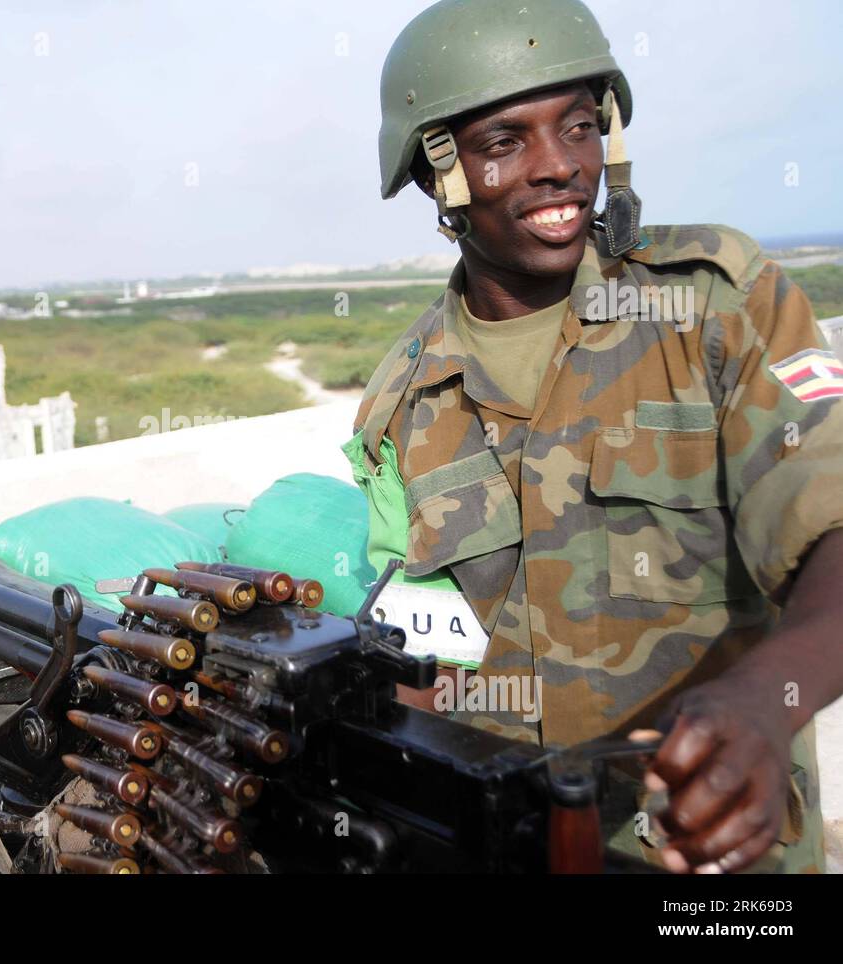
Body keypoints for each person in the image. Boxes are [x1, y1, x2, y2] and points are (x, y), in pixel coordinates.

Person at [348, 0, 843, 873]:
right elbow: (427, 646)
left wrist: (768, 699)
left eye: (578, 128)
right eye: (505, 142)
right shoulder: (403, 399)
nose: (560, 168)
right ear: (439, 176)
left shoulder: (715, 304)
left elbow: (831, 525)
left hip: (713, 860)